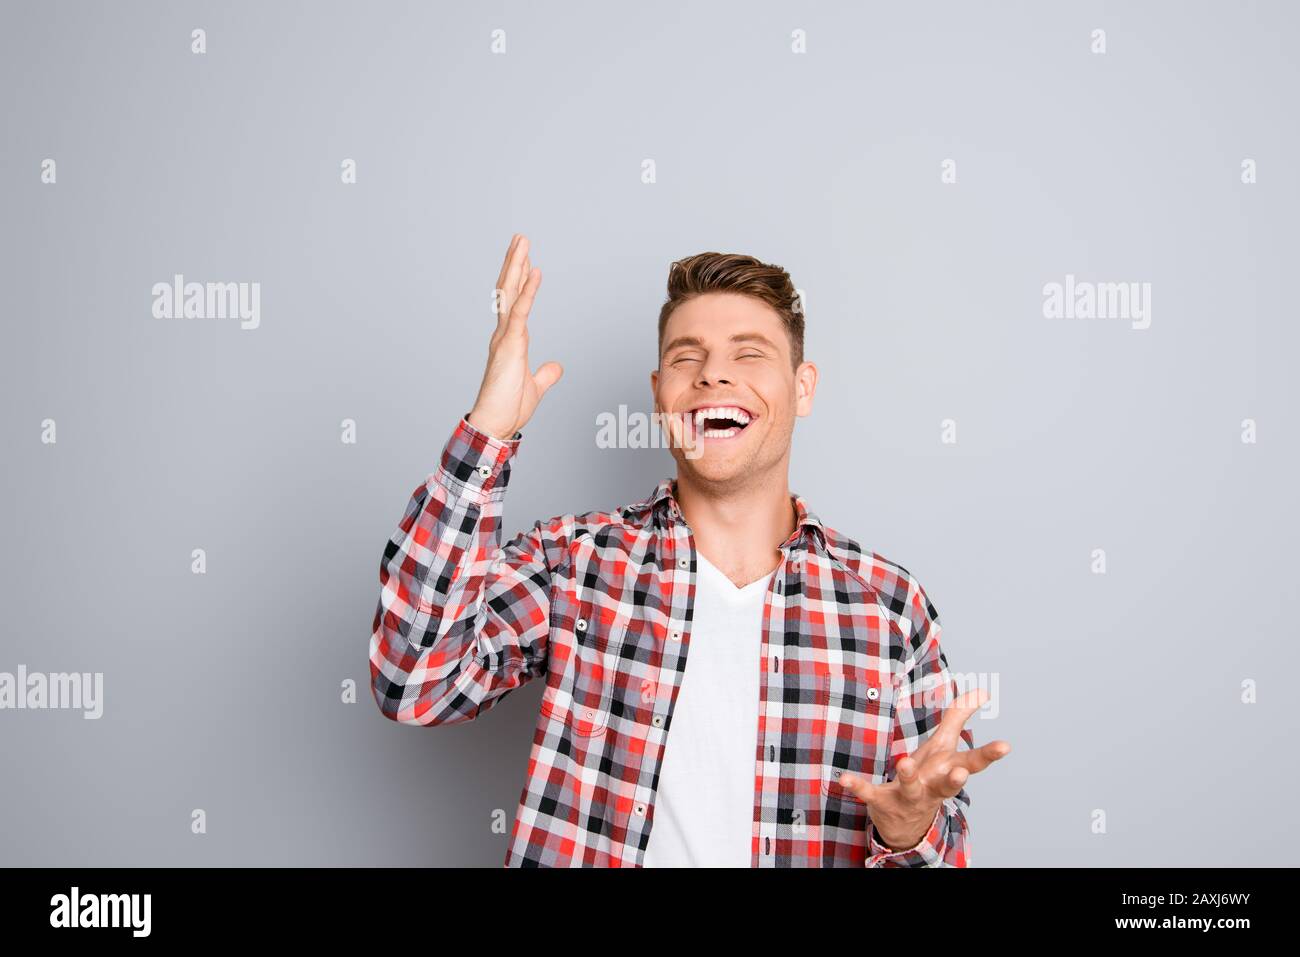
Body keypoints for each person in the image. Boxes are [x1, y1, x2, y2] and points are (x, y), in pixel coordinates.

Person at [368, 234, 1011, 867]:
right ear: (658, 395)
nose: (713, 373)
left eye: (749, 353)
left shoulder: (890, 607)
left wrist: (908, 829)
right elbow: (414, 682)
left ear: (803, 387)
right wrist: (489, 430)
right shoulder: (575, 562)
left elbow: (942, 848)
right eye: (686, 356)